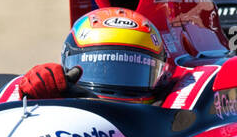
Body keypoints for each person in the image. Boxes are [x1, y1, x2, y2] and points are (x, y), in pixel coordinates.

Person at [17, 7, 174, 103]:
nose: (112, 95)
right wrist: (37, 99)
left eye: (129, 72)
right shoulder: (58, 99)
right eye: (100, 69)